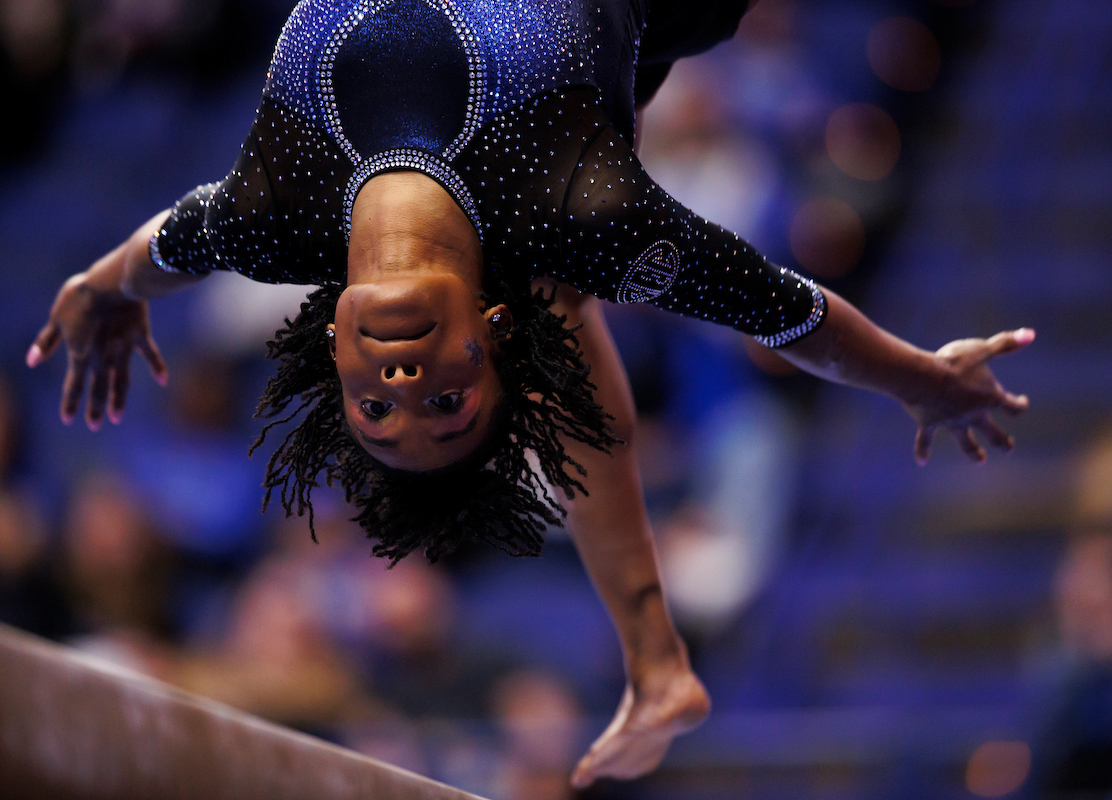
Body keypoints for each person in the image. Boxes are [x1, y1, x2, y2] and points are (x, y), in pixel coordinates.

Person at [27, 0, 1033, 786]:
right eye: (445, 406)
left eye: (377, 411)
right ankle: (653, 654)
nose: (405, 384)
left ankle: (656, 662)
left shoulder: (271, 214)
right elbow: (782, 311)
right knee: (560, 288)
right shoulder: (587, 207)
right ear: (489, 338)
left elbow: (162, 247)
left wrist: (102, 289)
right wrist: (920, 378)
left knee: (556, 289)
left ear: (332, 347)